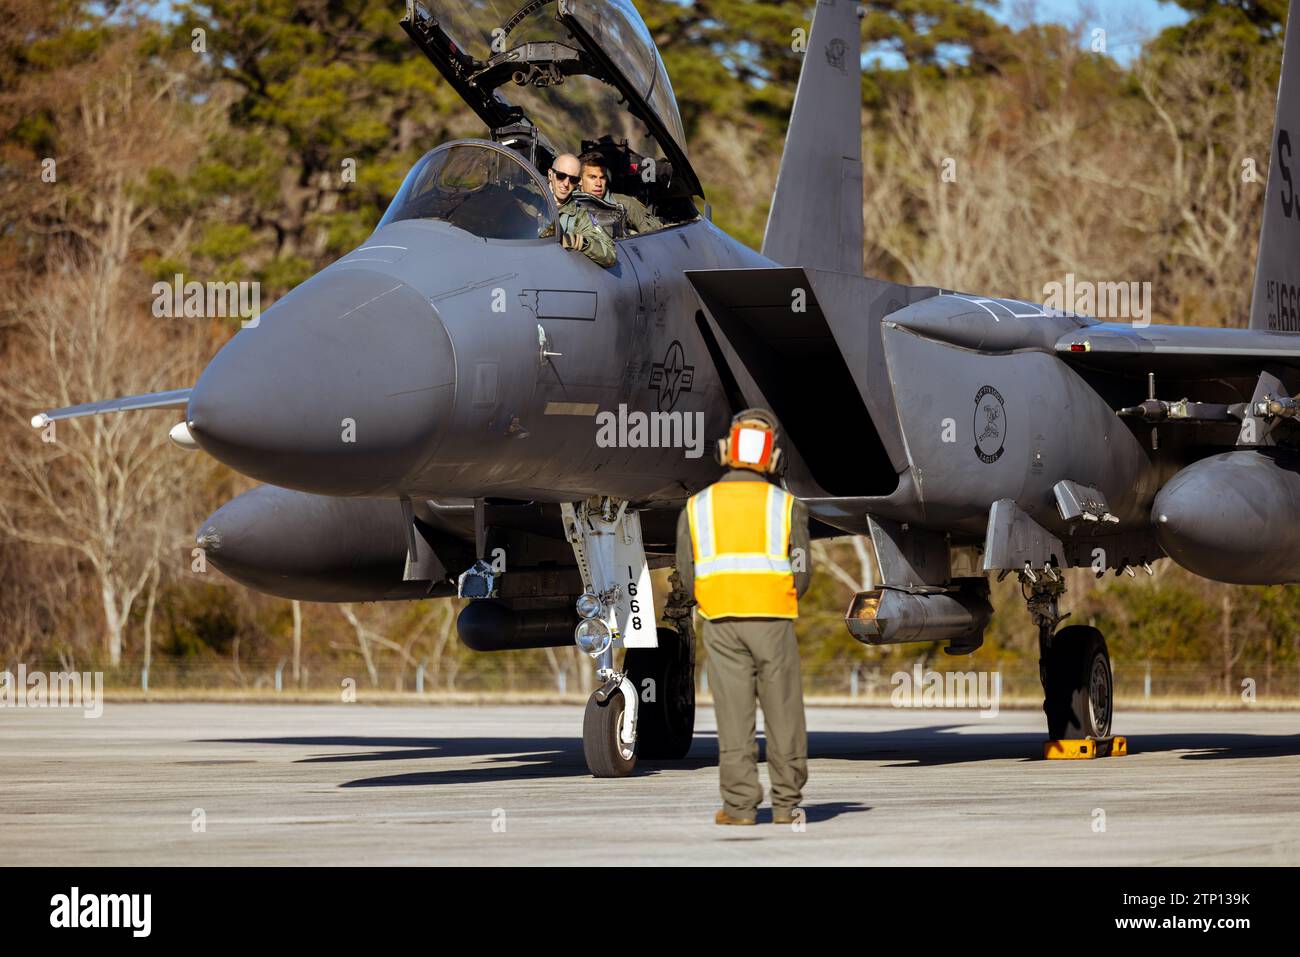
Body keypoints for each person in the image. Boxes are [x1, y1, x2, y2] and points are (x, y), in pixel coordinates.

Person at [676, 409, 812, 826]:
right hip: (772, 620)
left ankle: (738, 809)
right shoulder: (787, 506)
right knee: (783, 713)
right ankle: (787, 806)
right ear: (771, 457)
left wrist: (715, 596)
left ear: (726, 451)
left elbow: (686, 571)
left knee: (733, 718)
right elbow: (802, 572)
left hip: (721, 621)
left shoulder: (696, 506)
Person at [543, 152, 615, 267]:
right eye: (561, 176)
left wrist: (577, 241)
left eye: (573, 179)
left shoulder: (581, 214)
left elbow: (609, 254)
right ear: (550, 174)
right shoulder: (528, 197)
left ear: (578, 182)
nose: (566, 184)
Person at [577, 151, 662, 235]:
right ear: (580, 180)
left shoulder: (626, 204)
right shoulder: (569, 205)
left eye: (602, 178)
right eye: (592, 177)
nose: (599, 184)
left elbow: (656, 235)